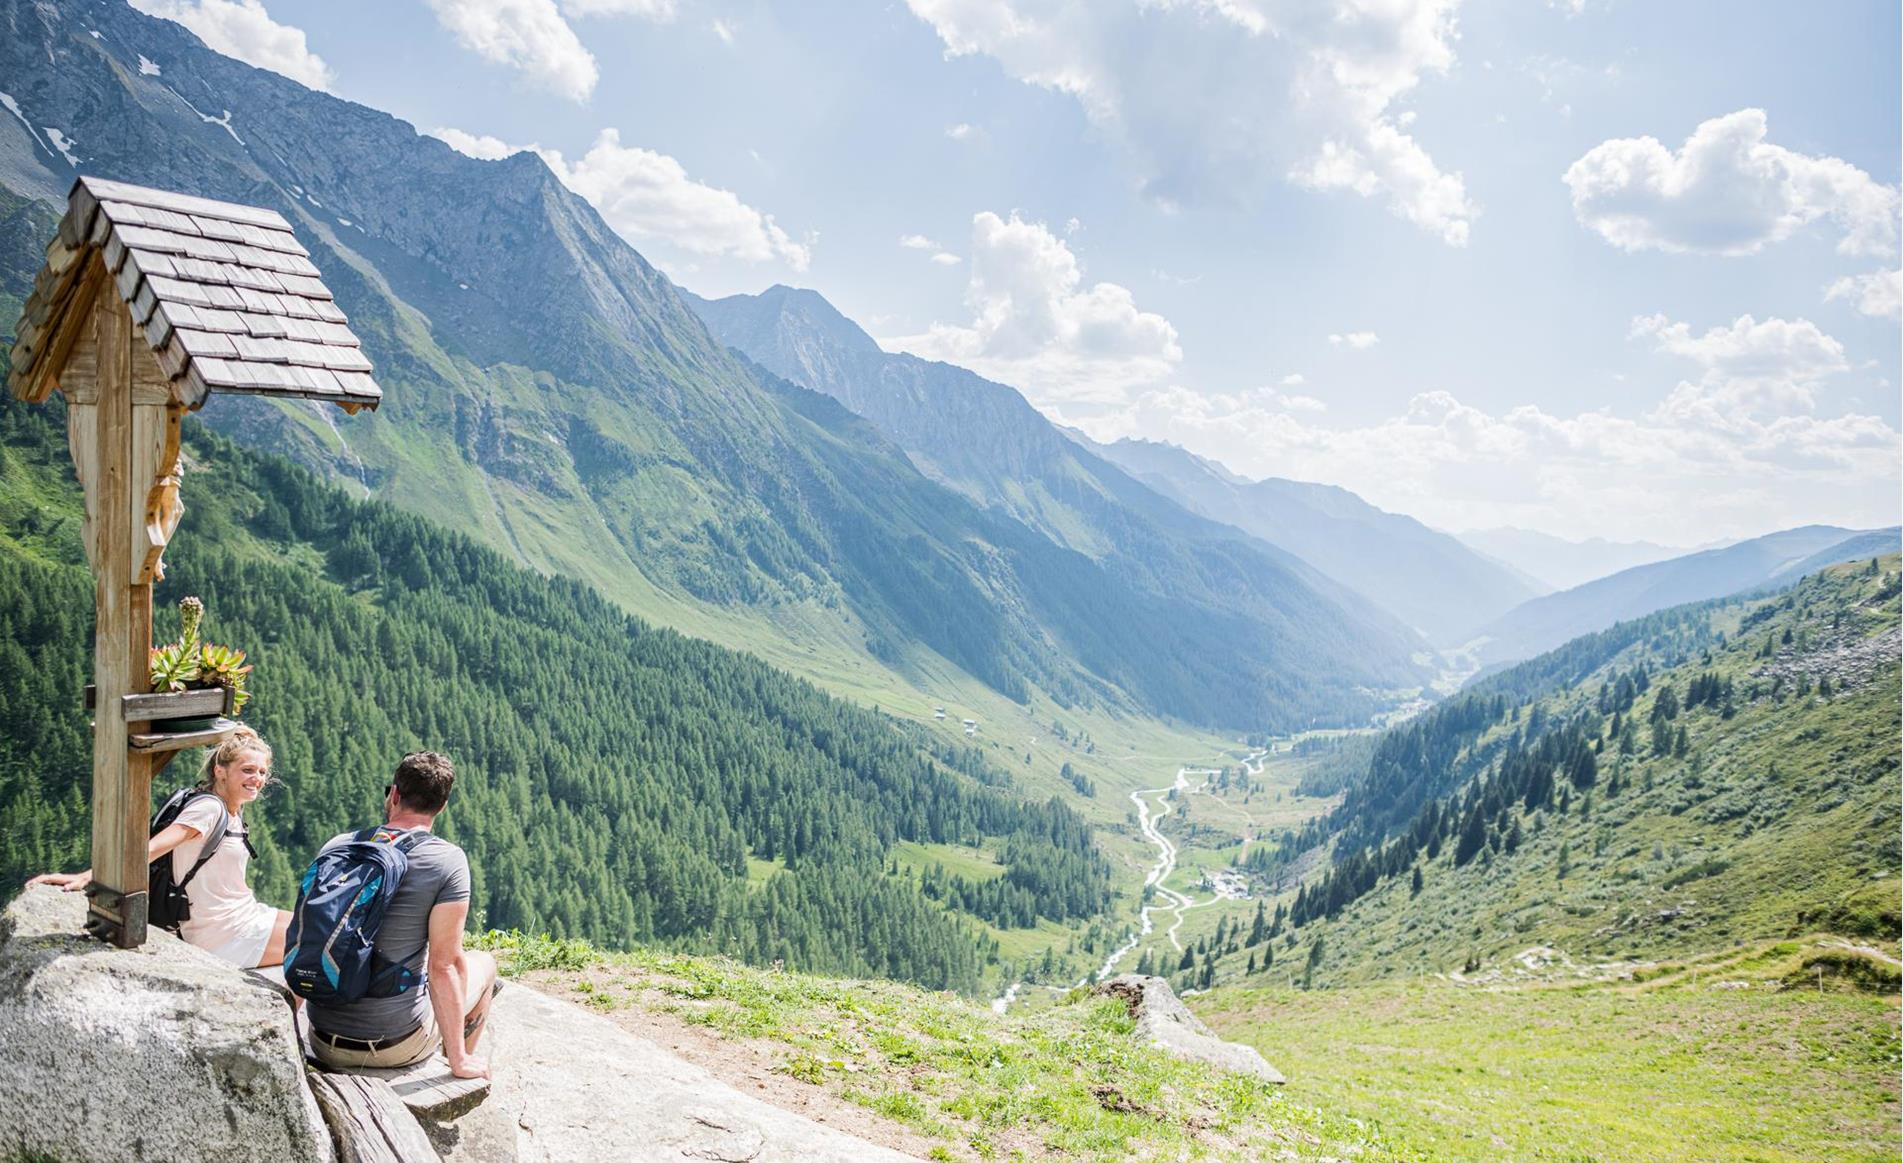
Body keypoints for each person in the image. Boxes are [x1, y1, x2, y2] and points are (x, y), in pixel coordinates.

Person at [27, 727, 293, 970]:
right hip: (222, 933)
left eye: (262, 772)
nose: (257, 778)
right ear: (220, 771)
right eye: (248, 770)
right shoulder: (208, 809)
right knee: (314, 946)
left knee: (314, 926)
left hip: (244, 914)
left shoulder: (231, 809)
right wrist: (89, 876)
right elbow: (150, 849)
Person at [304, 751, 496, 1080]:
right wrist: (459, 1060)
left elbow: (308, 937)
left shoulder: (337, 846)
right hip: (393, 1045)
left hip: (322, 1038)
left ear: (394, 794)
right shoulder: (446, 861)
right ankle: (458, 1060)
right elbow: (445, 965)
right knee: (484, 964)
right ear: (442, 806)